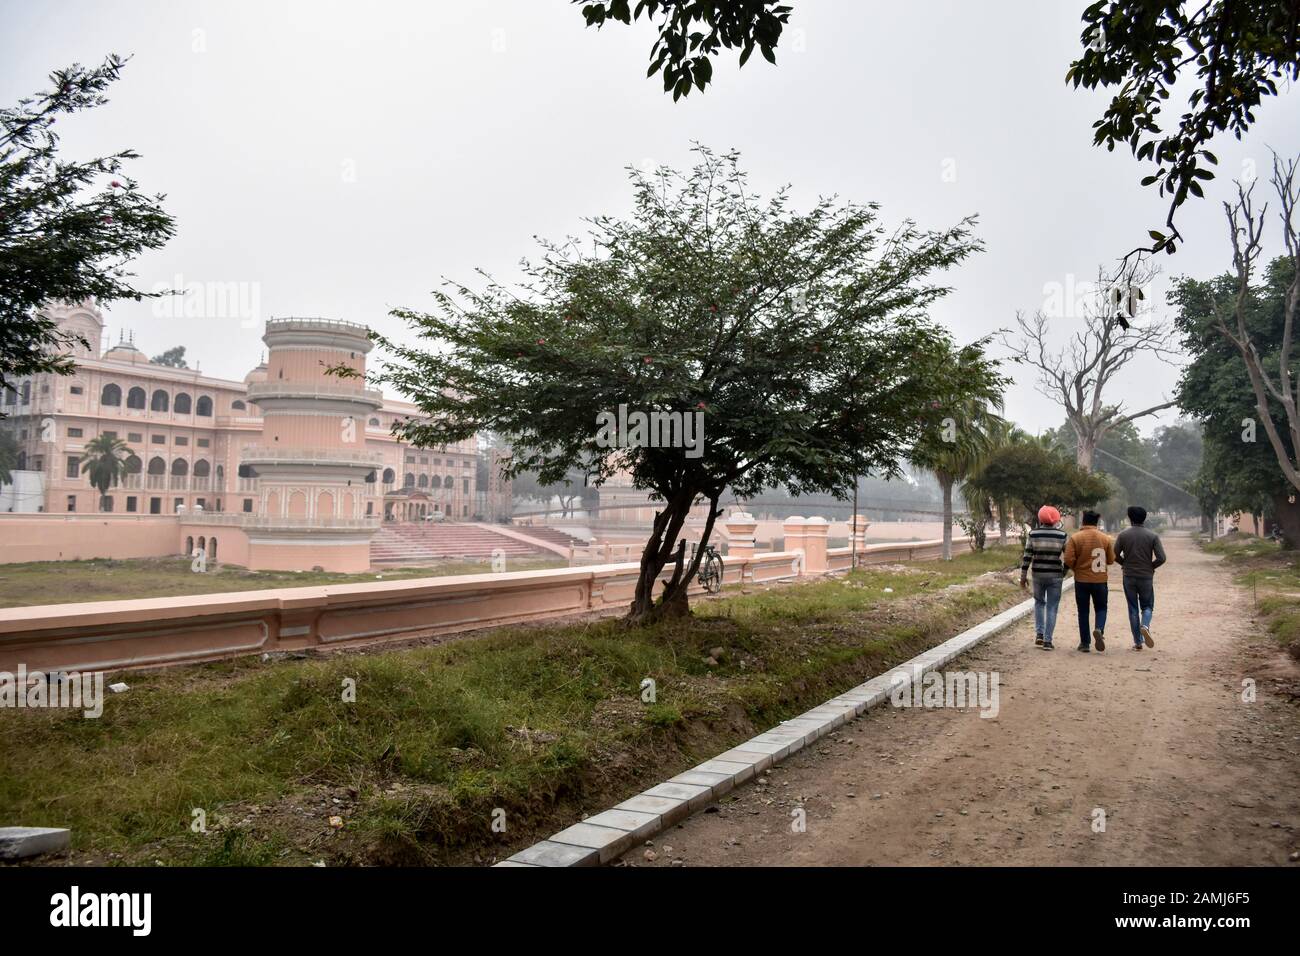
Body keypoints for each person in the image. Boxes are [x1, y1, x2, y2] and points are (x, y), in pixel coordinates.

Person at [1114, 505, 1166, 650]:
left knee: (1132, 608)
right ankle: (1145, 625)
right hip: (1146, 576)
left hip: (1129, 576)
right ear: (1144, 518)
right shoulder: (1152, 536)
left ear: (1130, 518)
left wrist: (1124, 563)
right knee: (1147, 606)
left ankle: (1137, 641)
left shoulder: (1123, 535)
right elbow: (1162, 558)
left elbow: (1114, 555)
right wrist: (1151, 566)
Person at [1063, 509, 1114, 652]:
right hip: (1100, 580)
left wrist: (1076, 568)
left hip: (1081, 580)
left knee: (1083, 611)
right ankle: (1099, 629)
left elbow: (1068, 559)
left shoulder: (1075, 538)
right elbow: (1110, 560)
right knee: (1101, 608)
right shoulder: (1105, 538)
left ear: (1083, 521)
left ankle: (1085, 643)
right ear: (1096, 522)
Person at [1021, 505, 1068, 650]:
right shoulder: (1062, 535)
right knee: (1052, 607)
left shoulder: (1033, 534)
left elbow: (1027, 556)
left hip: (1038, 575)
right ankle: (1048, 641)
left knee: (1039, 603)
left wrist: (1023, 576)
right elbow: (1069, 556)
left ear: (1040, 518)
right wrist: (1064, 571)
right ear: (1056, 519)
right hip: (1055, 575)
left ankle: (1039, 634)